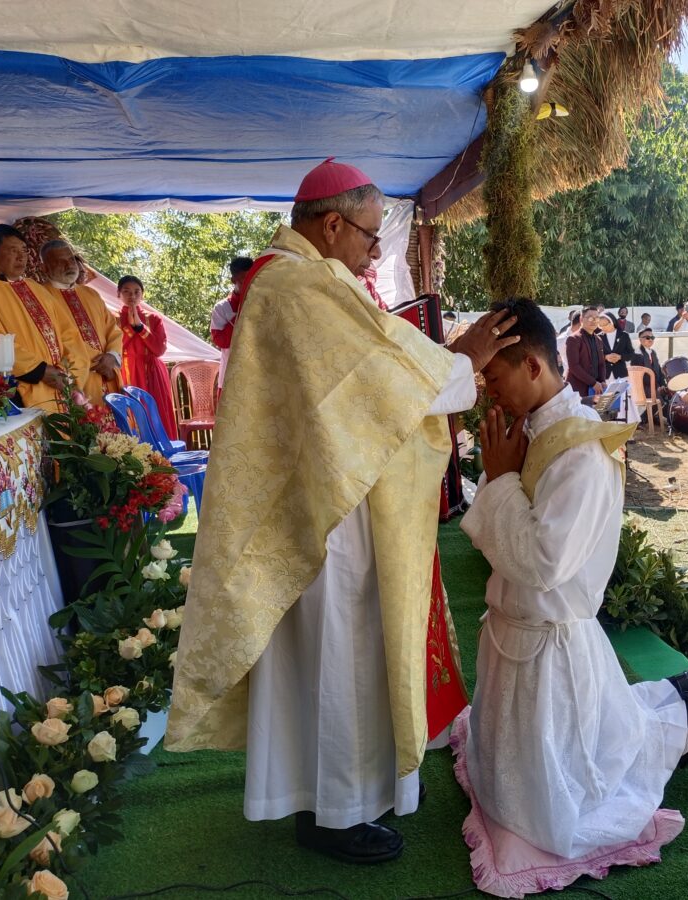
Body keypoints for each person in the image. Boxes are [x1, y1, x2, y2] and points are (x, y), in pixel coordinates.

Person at [166, 157, 515, 866]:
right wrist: (465, 361)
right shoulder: (301, 284)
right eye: (367, 234)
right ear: (331, 224)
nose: (374, 250)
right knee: (340, 654)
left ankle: (318, 799)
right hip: (327, 517)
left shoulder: (300, 279)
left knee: (327, 658)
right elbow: (382, 384)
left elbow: (375, 367)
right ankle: (334, 813)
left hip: (325, 499)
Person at [456, 297, 688, 896]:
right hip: (519, 630)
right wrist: (502, 477)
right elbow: (509, 535)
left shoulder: (581, 450)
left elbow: (544, 562)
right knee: (552, 764)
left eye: (494, 376)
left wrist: (501, 481)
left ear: (532, 367)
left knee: (565, 805)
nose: (487, 390)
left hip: (549, 634)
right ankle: (685, 699)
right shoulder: (534, 433)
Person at [0, 225, 90, 410]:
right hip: (22, 389)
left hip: (61, 385)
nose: (21, 256)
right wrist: (42, 371)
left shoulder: (38, 290)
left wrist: (71, 373)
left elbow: (70, 335)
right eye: (13, 250)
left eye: (24, 250)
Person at [39, 240, 123, 405]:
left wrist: (111, 357)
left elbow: (113, 329)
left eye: (70, 259)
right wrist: (93, 363)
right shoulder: (40, 297)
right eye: (60, 262)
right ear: (45, 268)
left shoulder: (91, 294)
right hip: (72, 384)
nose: (68, 265)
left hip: (107, 378)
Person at [117, 276, 177, 440]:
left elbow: (158, 349)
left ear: (142, 294)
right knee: (132, 415)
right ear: (118, 294)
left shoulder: (154, 318)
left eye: (137, 292)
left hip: (152, 372)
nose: (132, 296)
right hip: (126, 372)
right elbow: (116, 347)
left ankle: (163, 457)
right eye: (126, 292)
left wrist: (140, 327)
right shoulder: (112, 318)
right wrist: (130, 327)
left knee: (155, 413)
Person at [209, 256, 257, 386]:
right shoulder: (221, 308)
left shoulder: (261, 304)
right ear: (233, 280)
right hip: (231, 375)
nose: (248, 285)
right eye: (243, 281)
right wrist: (243, 314)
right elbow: (221, 341)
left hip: (257, 372)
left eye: (252, 280)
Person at [564, 306, 608, 398]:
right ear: (581, 319)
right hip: (578, 389)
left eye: (597, 318)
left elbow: (601, 364)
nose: (594, 320)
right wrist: (593, 383)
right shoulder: (574, 339)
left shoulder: (598, 339)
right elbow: (574, 366)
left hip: (596, 389)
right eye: (590, 317)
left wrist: (602, 381)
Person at [631, 327, 667, 425]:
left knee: (667, 393)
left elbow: (659, 370)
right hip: (642, 387)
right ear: (640, 339)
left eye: (652, 337)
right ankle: (641, 420)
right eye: (647, 337)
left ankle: (652, 417)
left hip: (653, 385)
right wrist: (655, 387)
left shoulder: (653, 352)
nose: (650, 339)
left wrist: (662, 384)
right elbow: (637, 376)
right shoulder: (637, 354)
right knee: (659, 399)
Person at [599, 313, 633, 380]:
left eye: (605, 325)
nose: (602, 327)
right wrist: (605, 357)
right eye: (600, 325)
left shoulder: (624, 335)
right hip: (604, 375)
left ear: (612, 322)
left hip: (621, 374)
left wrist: (620, 357)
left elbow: (631, 354)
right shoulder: (598, 337)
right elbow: (594, 355)